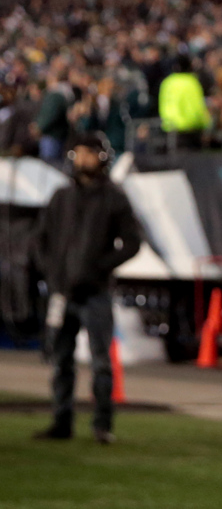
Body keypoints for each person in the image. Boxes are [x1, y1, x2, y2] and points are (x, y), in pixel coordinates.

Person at [32, 130, 142, 444]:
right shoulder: (61, 196)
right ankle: (61, 422)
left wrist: (100, 266)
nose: (82, 159)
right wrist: (52, 273)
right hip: (62, 292)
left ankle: (102, 425)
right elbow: (40, 241)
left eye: (88, 152)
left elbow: (132, 243)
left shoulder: (115, 198)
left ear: (102, 157)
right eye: (78, 152)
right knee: (61, 360)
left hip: (95, 293)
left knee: (101, 362)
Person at [157, 54, 211, 149]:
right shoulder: (191, 82)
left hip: (169, 129)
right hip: (189, 130)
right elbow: (197, 108)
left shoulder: (167, 82)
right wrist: (206, 123)